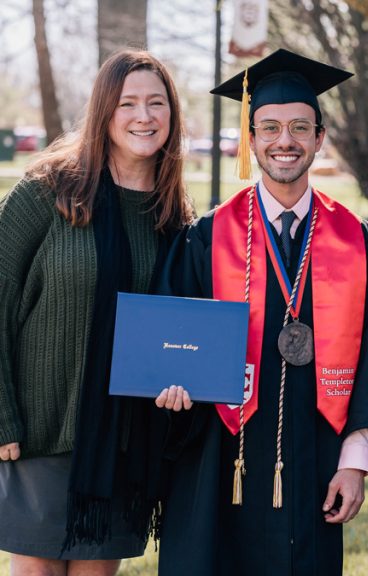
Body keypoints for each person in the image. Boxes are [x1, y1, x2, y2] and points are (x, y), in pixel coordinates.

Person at [155, 49, 368, 575]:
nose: (286, 141)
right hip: (219, 452)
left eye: (301, 127)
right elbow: (173, 336)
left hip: (318, 451)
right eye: (271, 127)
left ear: (320, 138)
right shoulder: (208, 236)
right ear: (250, 139)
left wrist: (353, 463)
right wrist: (172, 382)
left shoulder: (357, 239)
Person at [0, 51, 191, 575]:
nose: (143, 116)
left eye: (157, 103)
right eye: (127, 103)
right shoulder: (49, 189)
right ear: (104, 111)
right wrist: (2, 414)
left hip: (120, 443)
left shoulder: (174, 216)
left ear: (172, 116)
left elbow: (180, 327)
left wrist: (180, 378)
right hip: (39, 432)